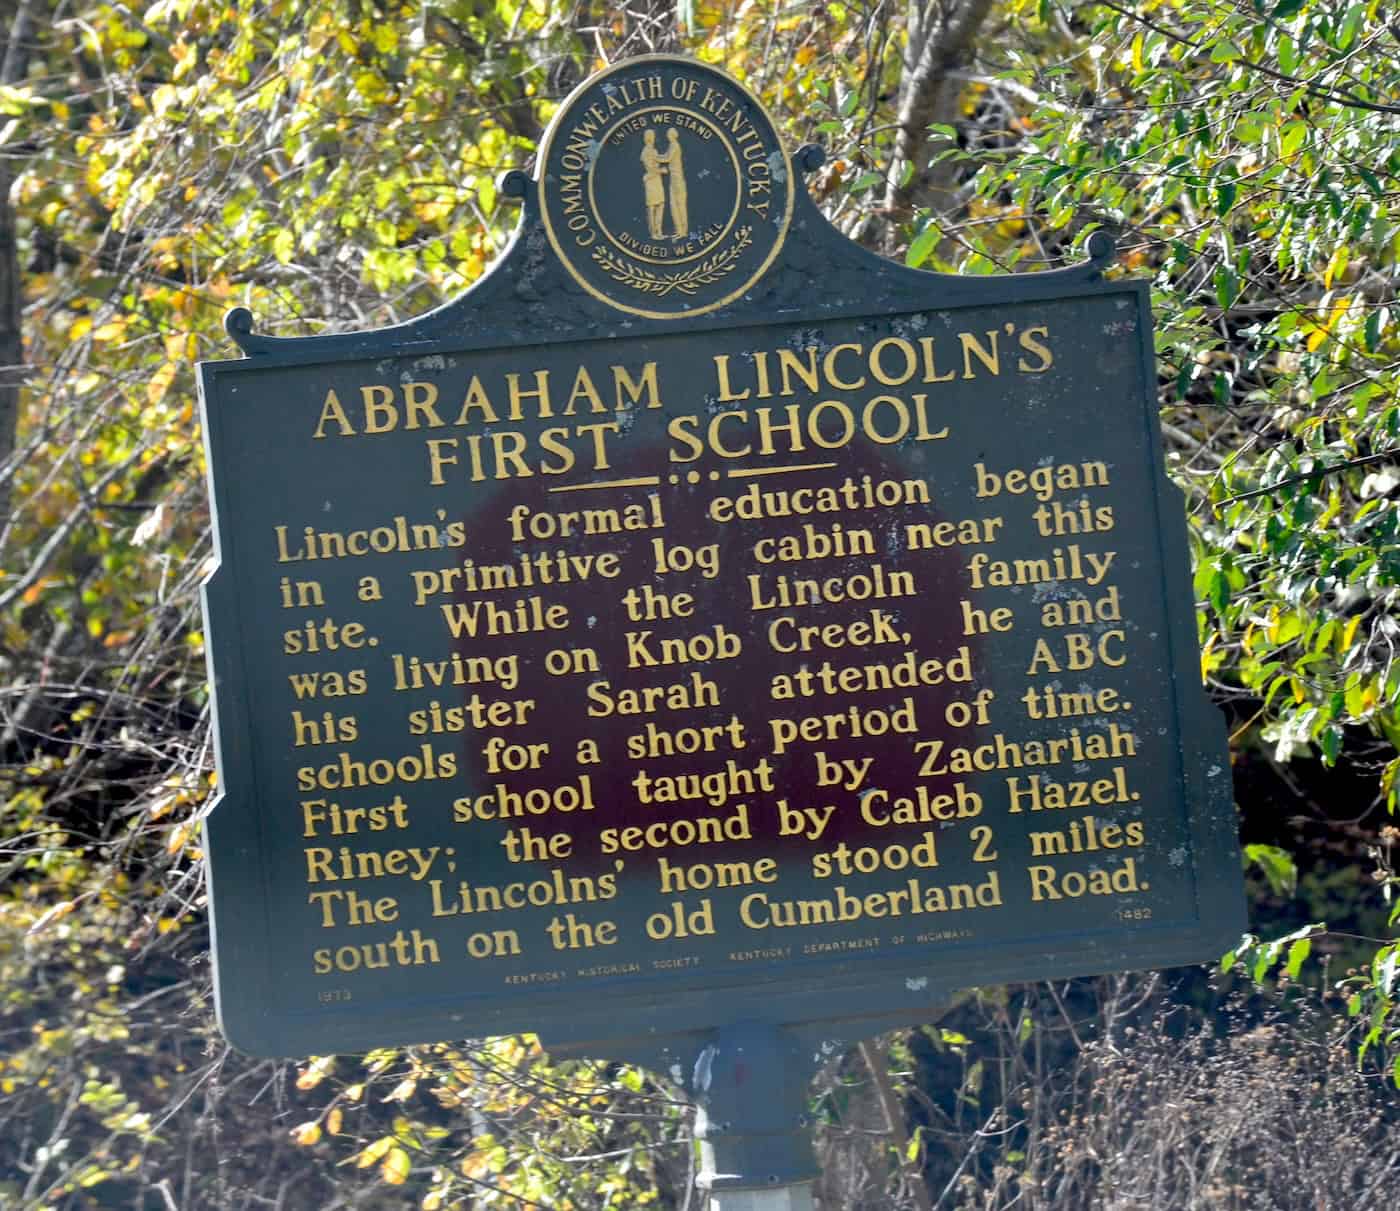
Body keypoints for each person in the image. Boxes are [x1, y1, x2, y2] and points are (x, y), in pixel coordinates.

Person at [640, 131, 667, 240]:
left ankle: (659, 231)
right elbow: (649, 168)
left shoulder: (654, 151)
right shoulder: (645, 152)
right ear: (649, 138)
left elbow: (662, 158)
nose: (653, 138)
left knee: (660, 204)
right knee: (651, 207)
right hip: (651, 180)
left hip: (657, 181)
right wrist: (661, 170)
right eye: (652, 137)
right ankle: (653, 233)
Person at [666, 128, 688, 238]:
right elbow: (666, 156)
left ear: (673, 135)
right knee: (673, 205)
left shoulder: (675, 145)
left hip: (678, 178)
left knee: (679, 205)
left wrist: (653, 157)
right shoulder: (671, 145)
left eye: (669, 134)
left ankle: (683, 231)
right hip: (673, 178)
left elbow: (667, 158)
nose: (667, 136)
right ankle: (678, 230)